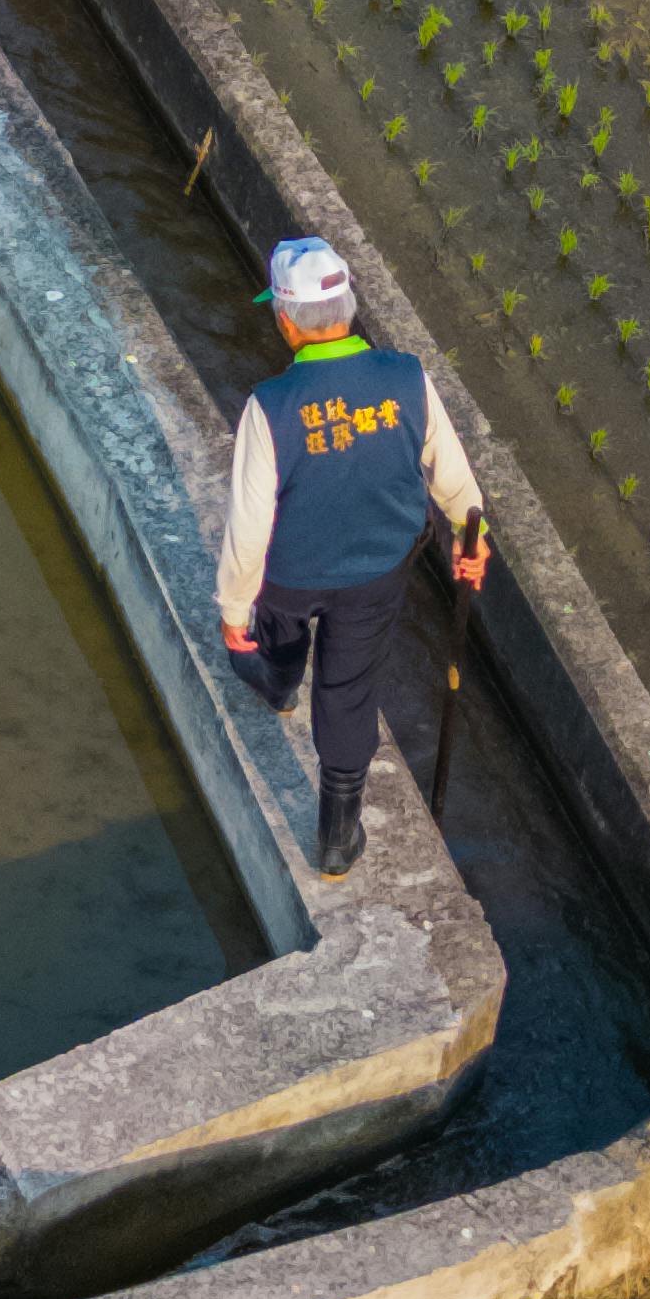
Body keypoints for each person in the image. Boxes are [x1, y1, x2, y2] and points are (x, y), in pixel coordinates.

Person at [214, 231, 488, 881]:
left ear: (285, 321)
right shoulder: (406, 379)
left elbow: (248, 527)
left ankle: (277, 684)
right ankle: (336, 840)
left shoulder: (269, 407)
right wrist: (468, 543)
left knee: (277, 641)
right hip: (376, 571)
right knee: (348, 691)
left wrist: (232, 612)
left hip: (289, 571)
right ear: (348, 308)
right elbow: (456, 483)